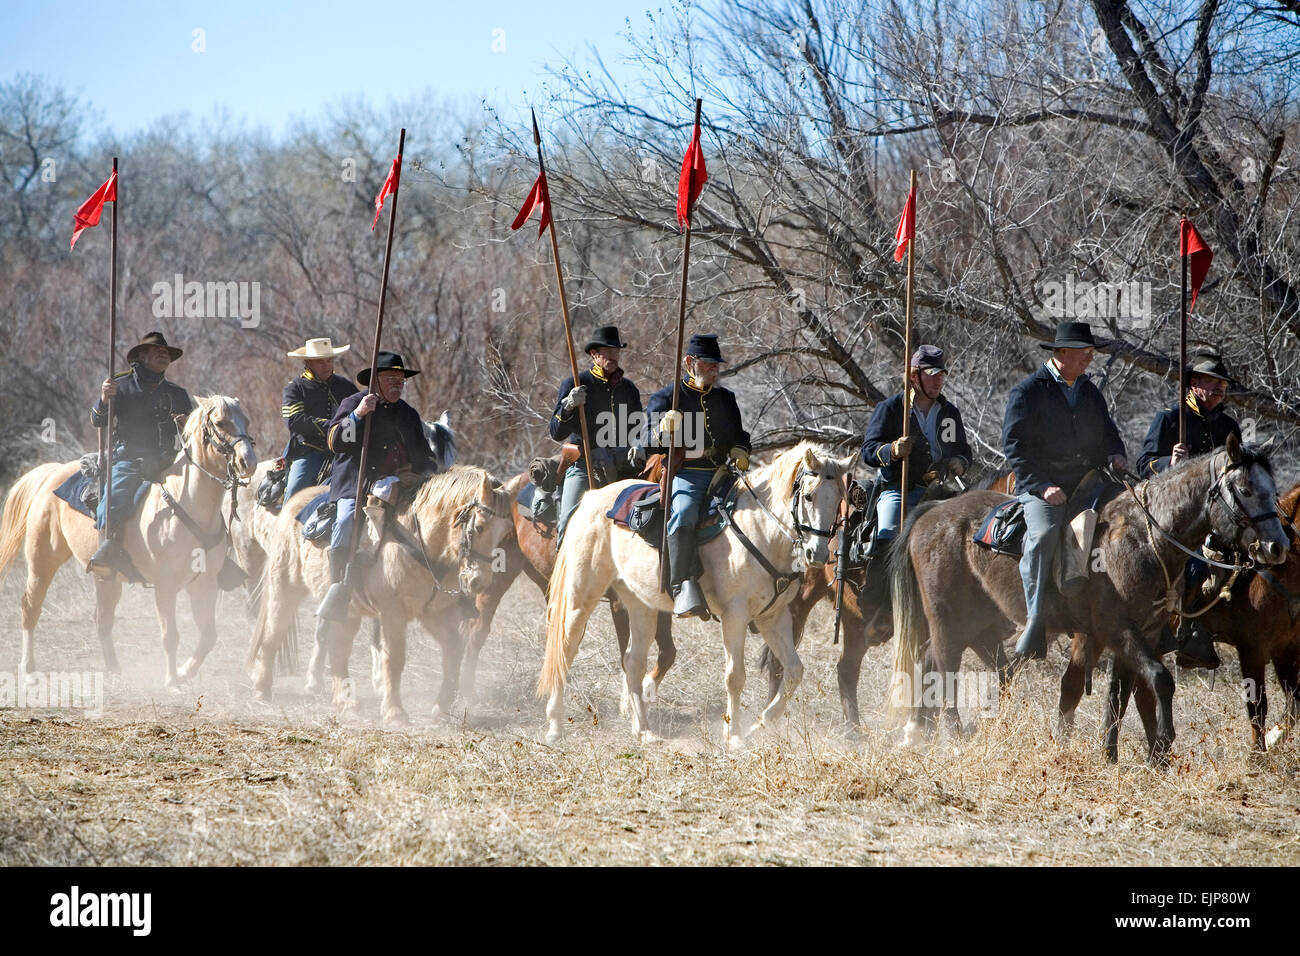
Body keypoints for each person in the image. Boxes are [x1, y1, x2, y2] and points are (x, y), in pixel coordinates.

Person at [1002, 321, 1127, 660]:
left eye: (1090, 353)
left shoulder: (1089, 391)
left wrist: (1116, 453)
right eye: (1083, 353)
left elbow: (1108, 434)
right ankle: (1035, 618)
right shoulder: (1028, 391)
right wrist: (1042, 487)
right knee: (1043, 535)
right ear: (1061, 354)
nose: (1089, 358)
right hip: (1041, 485)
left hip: (1088, 482)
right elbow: (1013, 447)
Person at [1137, 351, 1241, 669]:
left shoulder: (1229, 425)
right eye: (1213, 383)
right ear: (1195, 384)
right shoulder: (1170, 420)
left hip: (1220, 516)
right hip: (1178, 518)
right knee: (1194, 564)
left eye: (1223, 385)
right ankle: (1189, 631)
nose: (1220, 390)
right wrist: (1169, 463)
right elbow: (1144, 465)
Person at [637, 333, 751, 619]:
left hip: (725, 472)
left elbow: (740, 435)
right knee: (685, 513)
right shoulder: (667, 397)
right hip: (688, 472)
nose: (714, 370)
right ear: (690, 363)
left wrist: (740, 449)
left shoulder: (726, 398)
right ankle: (682, 584)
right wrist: (663, 429)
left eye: (716, 365)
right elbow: (645, 442)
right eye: (708, 364)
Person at [322, 351, 437, 594]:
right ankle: (338, 584)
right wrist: (358, 415)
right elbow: (335, 442)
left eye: (401, 380)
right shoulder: (354, 403)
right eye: (391, 379)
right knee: (345, 521)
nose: (398, 385)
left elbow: (424, 455)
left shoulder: (408, 413)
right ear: (375, 381)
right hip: (359, 483)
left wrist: (428, 477)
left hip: (403, 483)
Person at [88, 331, 193, 577]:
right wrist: (104, 398)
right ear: (142, 356)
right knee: (110, 505)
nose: (164, 355)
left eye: (166, 353)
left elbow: (192, 434)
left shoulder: (178, 393)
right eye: (158, 351)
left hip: (168, 462)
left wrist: (185, 424)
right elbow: (97, 420)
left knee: (202, 495)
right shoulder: (118, 385)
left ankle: (214, 552)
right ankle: (109, 552)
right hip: (129, 460)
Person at [860, 344, 972, 546]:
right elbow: (868, 451)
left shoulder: (950, 413)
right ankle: (882, 577)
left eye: (941, 375)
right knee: (886, 536)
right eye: (932, 374)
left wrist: (959, 462)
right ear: (914, 377)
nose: (939, 380)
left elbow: (963, 450)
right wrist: (892, 450)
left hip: (941, 491)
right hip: (899, 491)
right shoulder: (891, 409)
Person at [549, 325, 643, 542]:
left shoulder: (629, 389)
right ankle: (563, 564)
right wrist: (569, 406)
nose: (613, 356)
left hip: (621, 465)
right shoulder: (575, 383)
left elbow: (637, 427)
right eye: (607, 351)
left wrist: (638, 443)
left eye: (616, 351)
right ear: (594, 355)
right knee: (569, 521)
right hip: (585, 463)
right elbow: (555, 432)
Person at [281, 337, 359, 500]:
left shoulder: (346, 386)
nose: (327, 366)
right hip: (310, 451)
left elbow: (358, 415)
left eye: (329, 361)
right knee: (294, 491)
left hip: (344, 450)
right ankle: (285, 521)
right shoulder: (295, 388)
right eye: (320, 362)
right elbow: (294, 421)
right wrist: (333, 427)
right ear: (308, 363)